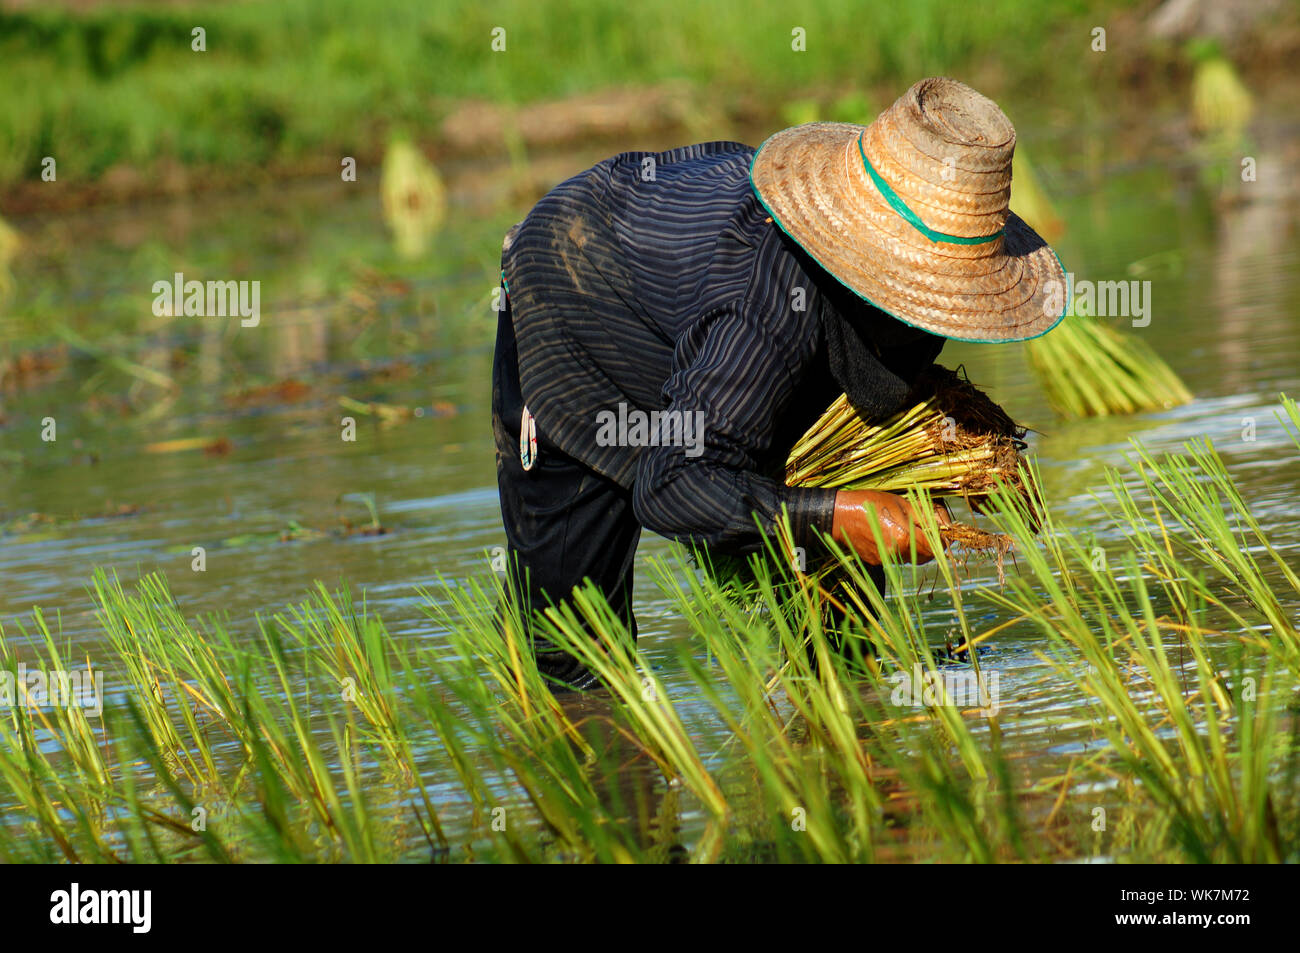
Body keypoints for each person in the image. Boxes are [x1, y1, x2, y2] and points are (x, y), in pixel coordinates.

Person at [491, 77, 1067, 691]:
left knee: (846, 657)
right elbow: (671, 486)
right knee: (574, 663)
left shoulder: (909, 297)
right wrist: (840, 513)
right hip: (573, 287)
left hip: (698, 293)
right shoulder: (759, 309)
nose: (939, 311)